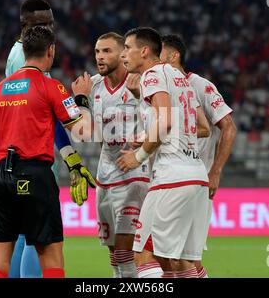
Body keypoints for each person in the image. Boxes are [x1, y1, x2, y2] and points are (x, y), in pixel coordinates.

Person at [0, 26, 87, 278]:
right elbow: (83, 132)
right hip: (35, 175)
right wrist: (83, 99)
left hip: (0, 178)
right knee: (51, 259)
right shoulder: (51, 86)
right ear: (50, 51)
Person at [5, 0, 95, 278]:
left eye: (50, 22)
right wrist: (82, 99)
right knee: (39, 237)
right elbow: (68, 121)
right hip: (34, 160)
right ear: (25, 25)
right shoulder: (30, 62)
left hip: (12, 161)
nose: (48, 27)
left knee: (21, 235)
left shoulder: (17, 56)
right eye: (40, 23)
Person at [117, 27, 211, 278]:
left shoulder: (152, 75)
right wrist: (149, 136)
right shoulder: (180, 77)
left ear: (145, 51)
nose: (123, 54)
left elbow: (167, 120)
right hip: (197, 177)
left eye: (127, 48)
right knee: (179, 262)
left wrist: (137, 157)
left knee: (144, 255)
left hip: (172, 177)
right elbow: (202, 128)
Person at [71, 32, 150, 278]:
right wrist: (80, 100)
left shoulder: (141, 82)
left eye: (107, 51)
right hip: (105, 177)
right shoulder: (92, 85)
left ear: (123, 54)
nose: (100, 57)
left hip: (134, 175)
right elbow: (83, 134)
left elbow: (163, 121)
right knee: (115, 256)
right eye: (97, 52)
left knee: (127, 254)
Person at [160, 34, 236, 278]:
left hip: (194, 180)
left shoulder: (200, 85)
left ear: (174, 56)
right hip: (166, 178)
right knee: (168, 256)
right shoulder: (157, 86)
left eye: (158, 53)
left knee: (184, 257)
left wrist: (215, 171)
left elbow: (229, 127)